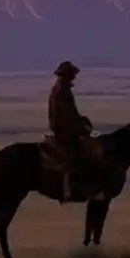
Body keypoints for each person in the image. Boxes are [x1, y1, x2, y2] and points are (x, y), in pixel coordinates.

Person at [48, 61, 96, 200]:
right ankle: (70, 188)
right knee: (80, 154)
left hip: (64, 126)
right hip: (64, 128)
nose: (74, 77)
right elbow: (68, 114)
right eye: (72, 74)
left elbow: (71, 113)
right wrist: (81, 126)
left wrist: (82, 121)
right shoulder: (61, 91)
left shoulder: (61, 90)